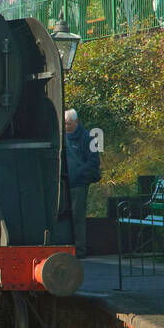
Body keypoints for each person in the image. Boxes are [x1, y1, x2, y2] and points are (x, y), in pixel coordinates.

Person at [64, 109, 100, 258]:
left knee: (78, 217)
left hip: (79, 184)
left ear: (76, 122)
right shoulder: (61, 136)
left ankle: (79, 250)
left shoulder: (89, 138)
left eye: (69, 124)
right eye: (65, 124)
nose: (66, 126)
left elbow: (94, 161)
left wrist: (77, 174)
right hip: (64, 184)